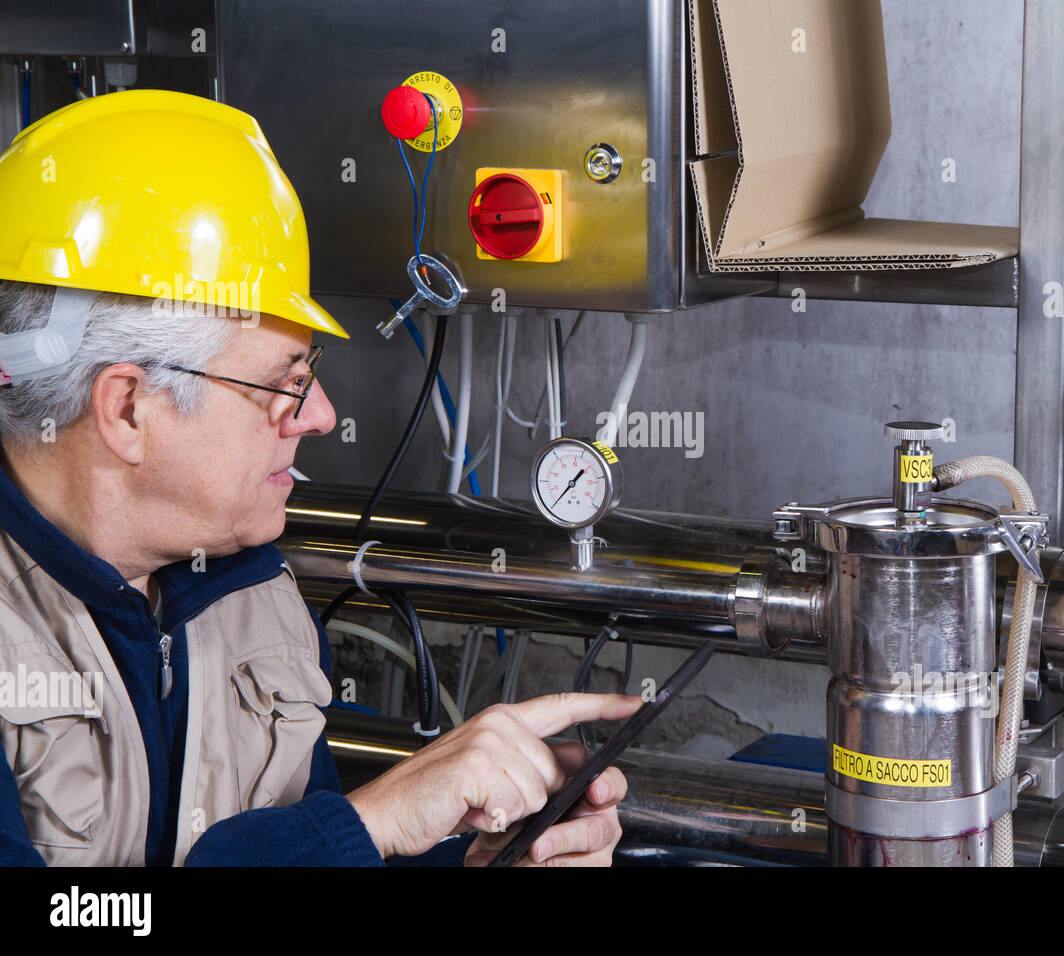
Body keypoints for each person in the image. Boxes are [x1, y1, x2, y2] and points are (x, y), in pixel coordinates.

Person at [0, 89, 638, 866]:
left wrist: (474, 864)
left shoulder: (249, 601)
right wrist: (363, 825)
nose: (322, 415)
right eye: (283, 382)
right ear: (128, 408)